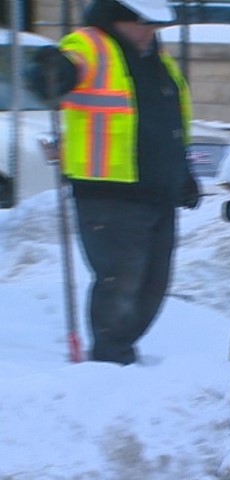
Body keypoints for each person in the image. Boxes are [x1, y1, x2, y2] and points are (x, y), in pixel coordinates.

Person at [24, 0, 200, 365]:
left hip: (157, 190)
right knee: (121, 280)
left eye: (154, 25)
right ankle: (110, 360)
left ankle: (121, 353)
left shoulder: (157, 59)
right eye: (142, 24)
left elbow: (169, 121)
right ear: (115, 19)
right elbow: (58, 72)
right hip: (108, 191)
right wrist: (49, 71)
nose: (150, 32)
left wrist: (182, 173)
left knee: (154, 284)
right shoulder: (88, 45)